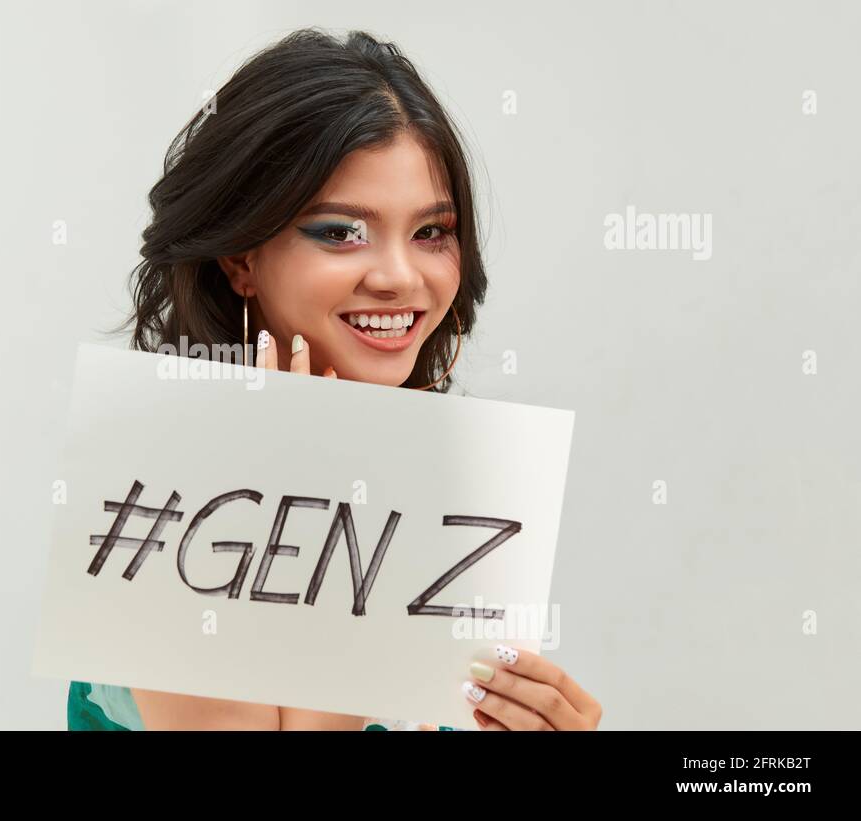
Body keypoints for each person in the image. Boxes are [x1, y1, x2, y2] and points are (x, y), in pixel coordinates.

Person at [70, 27, 602, 731]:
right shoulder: (173, 510)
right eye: (341, 231)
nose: (398, 277)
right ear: (240, 259)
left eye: (431, 232)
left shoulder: (456, 502)